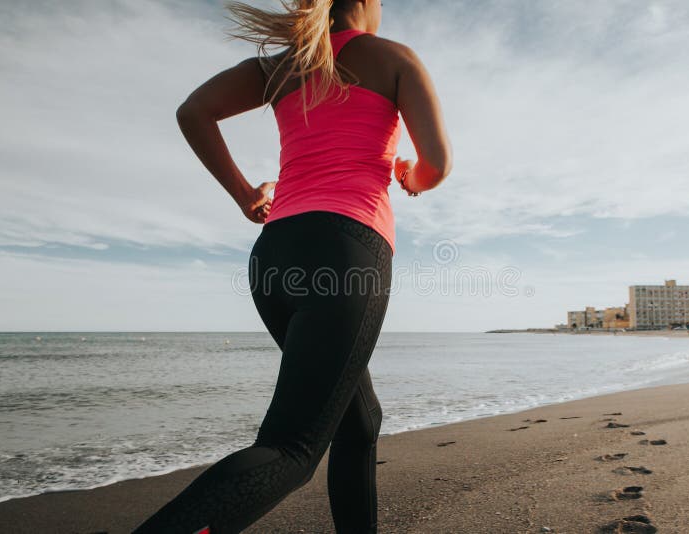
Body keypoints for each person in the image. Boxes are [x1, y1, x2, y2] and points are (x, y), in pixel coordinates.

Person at [132, 0, 451, 532]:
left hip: (274, 256)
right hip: (347, 251)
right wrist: (409, 178)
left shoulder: (283, 65)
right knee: (293, 448)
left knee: (359, 422)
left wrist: (243, 196)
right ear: (368, 4)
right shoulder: (395, 58)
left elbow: (193, 111)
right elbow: (436, 163)